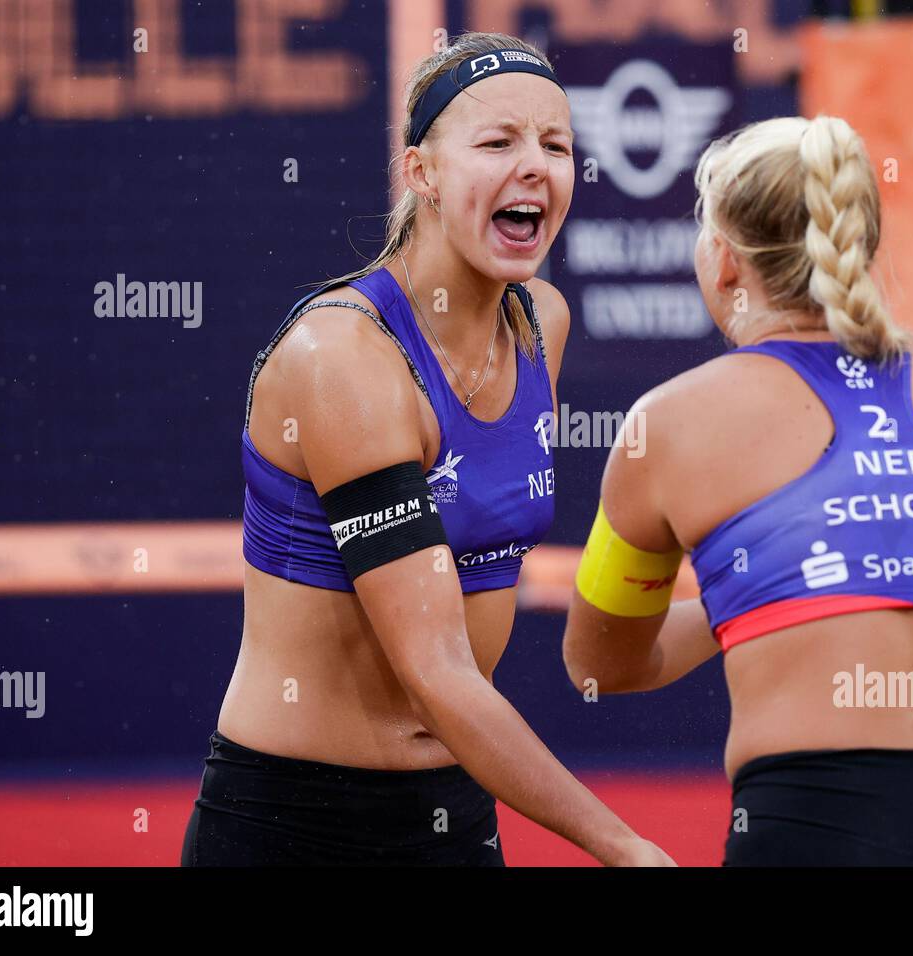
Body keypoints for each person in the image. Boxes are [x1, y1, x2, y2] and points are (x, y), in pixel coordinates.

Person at [182, 32, 672, 867]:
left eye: (556, 145)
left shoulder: (540, 322)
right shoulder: (342, 359)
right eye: (496, 142)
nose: (535, 166)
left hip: (453, 809)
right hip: (291, 825)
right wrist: (621, 846)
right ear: (422, 174)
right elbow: (437, 672)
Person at [562, 115, 913, 866]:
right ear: (862, 248)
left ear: (722, 262)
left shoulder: (665, 424)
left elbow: (600, 666)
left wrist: (760, 590)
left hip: (821, 825)